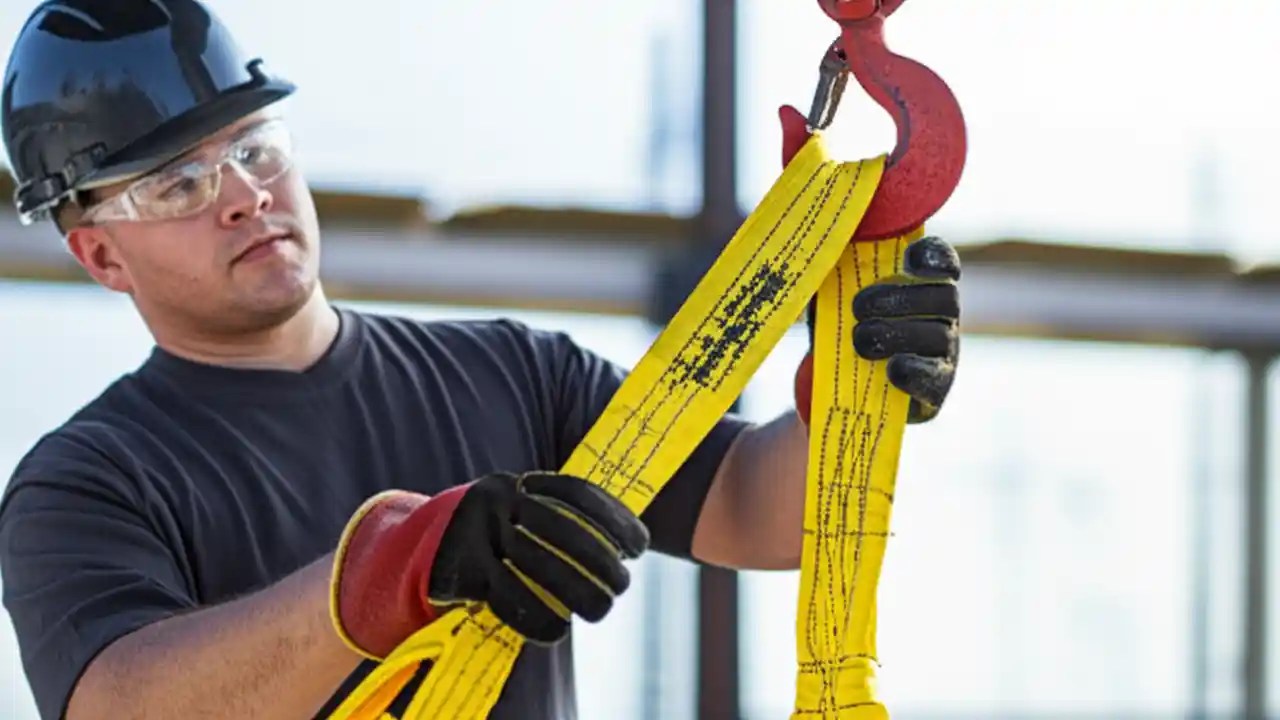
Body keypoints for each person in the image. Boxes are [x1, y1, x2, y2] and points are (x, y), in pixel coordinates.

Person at [0, 2, 963, 719]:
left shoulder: (511, 374)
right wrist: (388, 573)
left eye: (256, 146)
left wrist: (854, 392)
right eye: (179, 183)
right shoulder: (83, 484)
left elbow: (764, 517)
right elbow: (121, 704)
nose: (246, 195)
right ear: (100, 255)